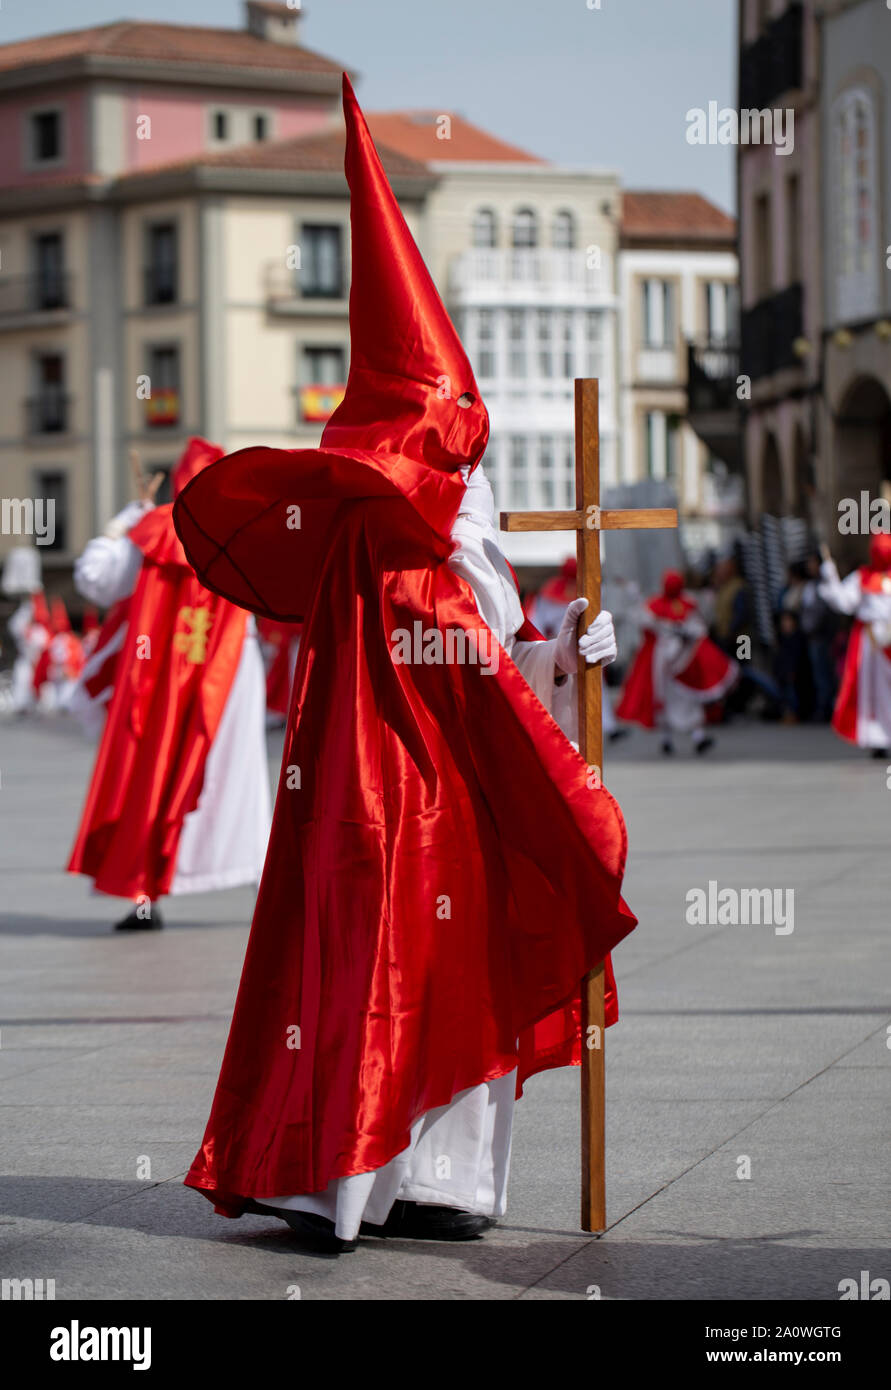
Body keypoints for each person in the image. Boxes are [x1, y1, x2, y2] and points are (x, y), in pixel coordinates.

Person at [173, 75, 636, 1252]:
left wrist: (555, 640)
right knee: (430, 962)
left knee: (362, 972)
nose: (469, 449)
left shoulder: (362, 519)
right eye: (460, 430)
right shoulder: (414, 523)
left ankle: (362, 1179)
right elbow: (471, 651)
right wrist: (556, 672)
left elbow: (472, 640)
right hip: (433, 791)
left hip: (358, 790)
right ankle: (403, 1182)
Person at [67, 437, 272, 930]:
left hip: (167, 679)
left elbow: (93, 579)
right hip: (232, 671)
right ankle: (268, 893)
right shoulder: (248, 530)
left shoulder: (155, 529)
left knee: (155, 776)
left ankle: (145, 895)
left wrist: (122, 524)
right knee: (240, 776)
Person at [616, 569, 737, 754]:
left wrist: (684, 632)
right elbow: (643, 619)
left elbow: (699, 628)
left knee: (689, 699)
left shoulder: (688, 604)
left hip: (684, 662)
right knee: (663, 700)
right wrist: (633, 594)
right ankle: (667, 739)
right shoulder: (654, 606)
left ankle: (698, 737)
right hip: (663, 663)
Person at [818, 535, 891, 757]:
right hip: (871, 644)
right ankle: (879, 738)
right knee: (874, 691)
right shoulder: (862, 577)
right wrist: (830, 574)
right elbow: (843, 601)